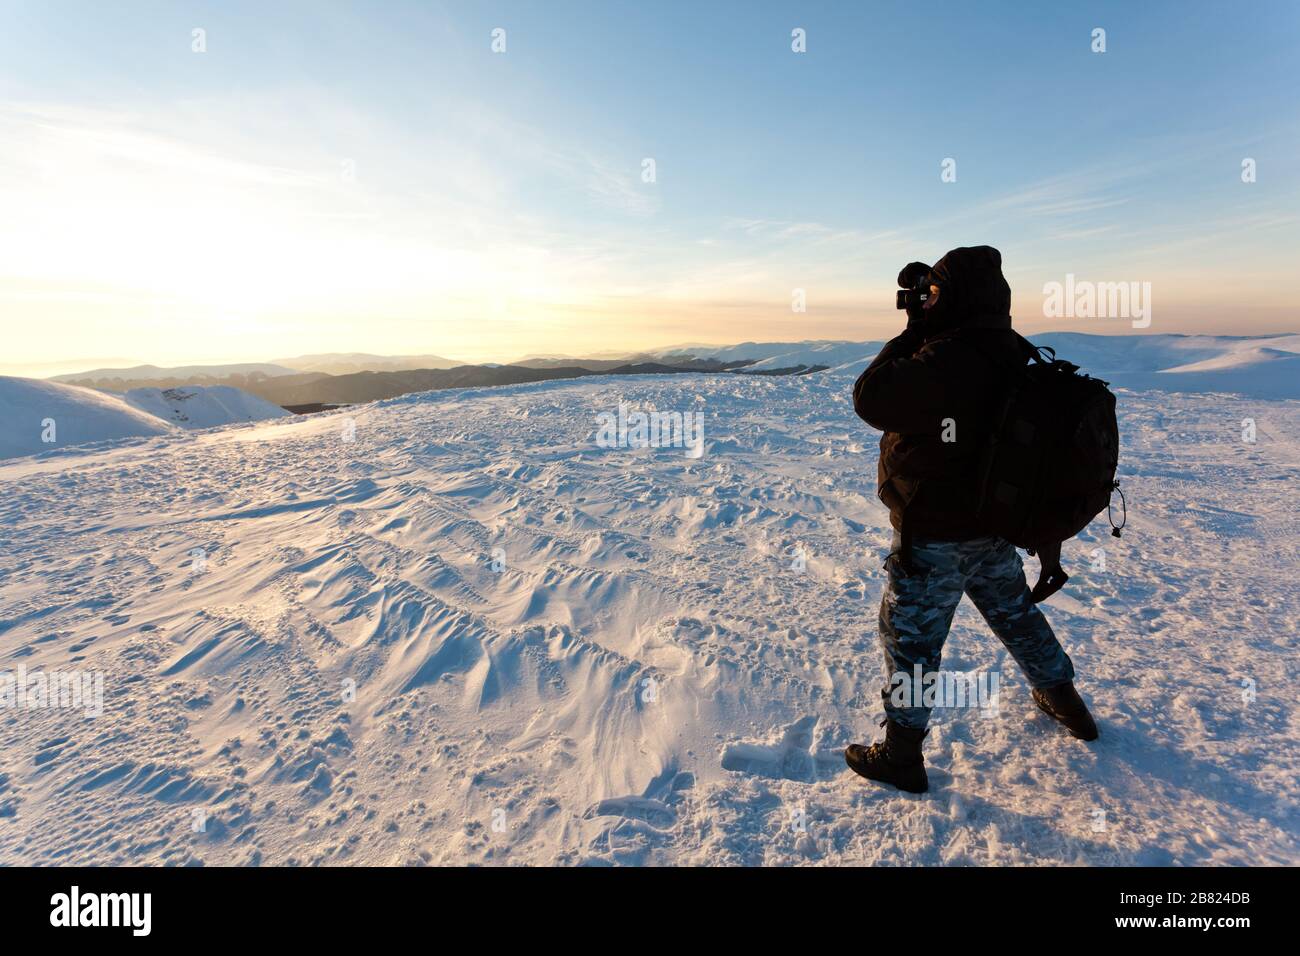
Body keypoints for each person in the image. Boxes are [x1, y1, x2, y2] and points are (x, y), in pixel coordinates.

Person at [846, 245, 1098, 794]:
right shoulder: (1011, 350)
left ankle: (902, 757)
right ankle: (1067, 704)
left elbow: (870, 397)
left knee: (910, 642)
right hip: (992, 527)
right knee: (1016, 617)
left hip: (935, 532)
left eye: (933, 293)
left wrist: (915, 326)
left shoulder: (946, 357)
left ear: (951, 297)